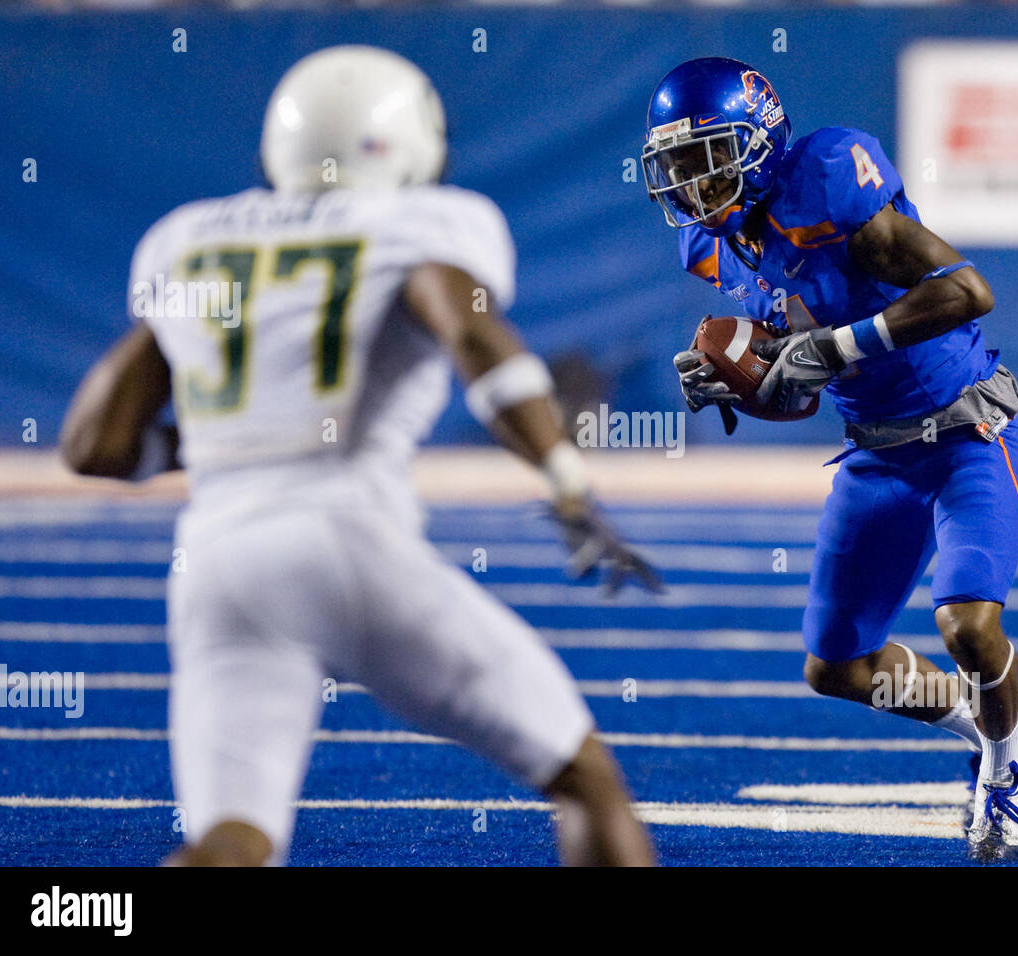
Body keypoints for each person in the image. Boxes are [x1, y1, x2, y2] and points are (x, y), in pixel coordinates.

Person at [60, 45, 658, 867]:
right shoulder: (422, 225)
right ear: (405, 139)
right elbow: (473, 331)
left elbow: (93, 445)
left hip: (215, 559)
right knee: (583, 779)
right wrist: (564, 476)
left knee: (232, 843)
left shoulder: (191, 240)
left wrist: (206, 445)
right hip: (343, 538)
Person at [641, 56, 1018, 862]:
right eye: (678, 167)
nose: (692, 184)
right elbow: (795, 393)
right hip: (876, 456)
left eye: (705, 157)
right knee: (836, 668)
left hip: (970, 430)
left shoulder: (828, 185)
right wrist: (744, 384)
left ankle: (1002, 778)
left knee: (968, 626)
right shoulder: (716, 243)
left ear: (757, 142)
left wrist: (834, 344)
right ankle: (1004, 717)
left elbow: (965, 290)